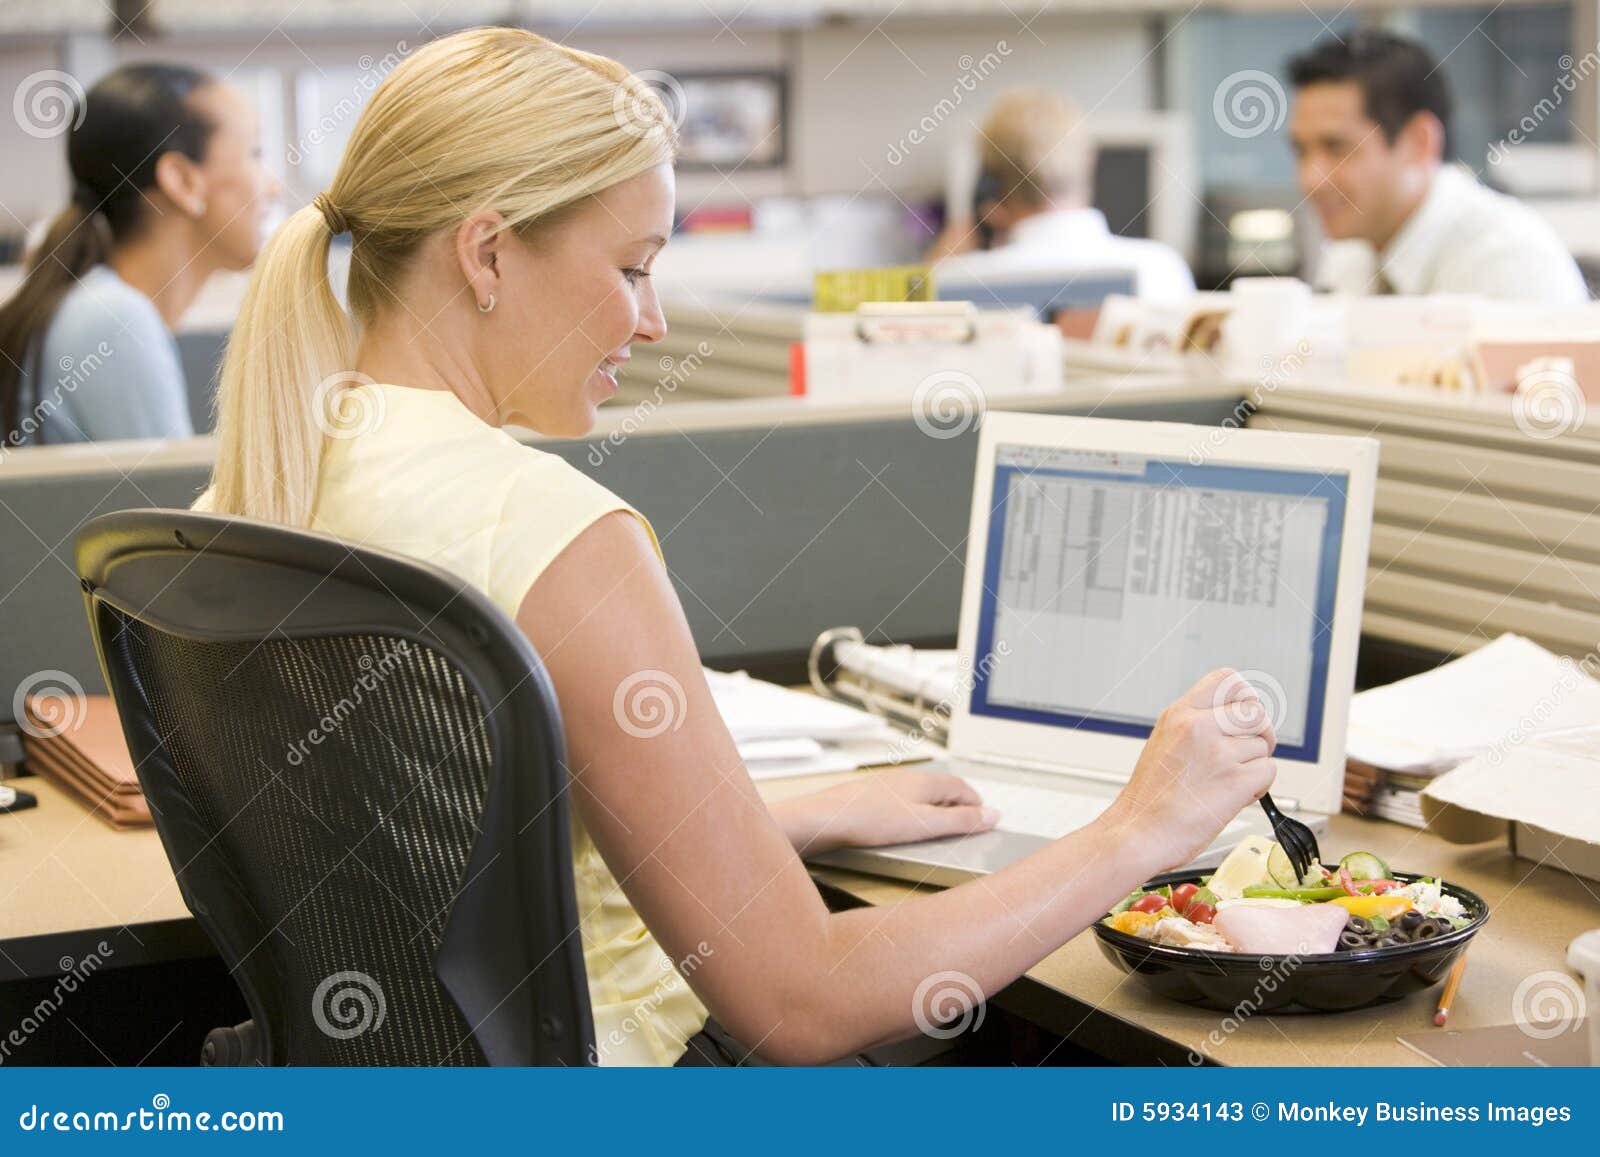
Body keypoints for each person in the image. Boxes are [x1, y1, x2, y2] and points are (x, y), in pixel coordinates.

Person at [200, 27, 1277, 1066]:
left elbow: (450, 834)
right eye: (632, 267)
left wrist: (782, 820)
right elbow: (801, 1002)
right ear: (486, 251)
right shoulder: (551, 531)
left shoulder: (266, 481)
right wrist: (1140, 826)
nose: (655, 320)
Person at [0, 64, 281, 448]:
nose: (274, 187)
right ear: (182, 181)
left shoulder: (100, 308)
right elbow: (170, 508)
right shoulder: (115, 320)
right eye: (255, 153)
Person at [1287, 30, 1587, 303]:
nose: (1310, 179)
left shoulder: (1508, 264)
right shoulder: (1349, 254)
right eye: (1301, 151)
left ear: (1419, 142)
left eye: (1337, 148)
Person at [924, 89, 1195, 302]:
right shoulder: (1161, 268)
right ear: (1089, 162)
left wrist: (939, 263)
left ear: (991, 185)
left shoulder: (955, 281)